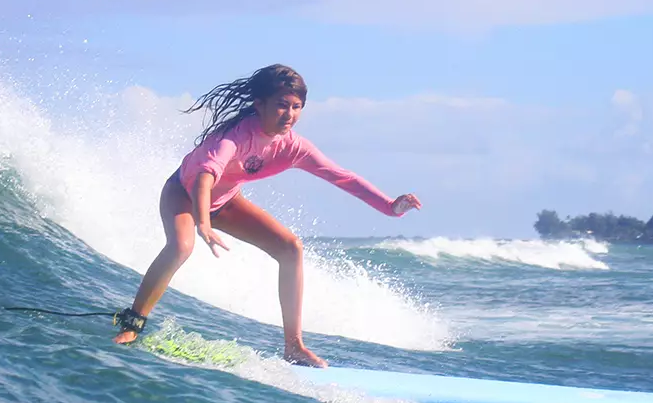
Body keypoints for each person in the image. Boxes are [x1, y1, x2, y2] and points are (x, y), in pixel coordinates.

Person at [112, 64, 421, 366]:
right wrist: (202, 223)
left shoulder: (293, 147)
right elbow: (206, 174)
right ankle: (132, 324)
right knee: (181, 246)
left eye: (297, 107)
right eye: (281, 105)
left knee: (291, 248)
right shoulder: (234, 136)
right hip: (184, 192)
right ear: (259, 104)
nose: (290, 114)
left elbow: (340, 176)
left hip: (224, 202)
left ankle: (294, 346)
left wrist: (389, 206)